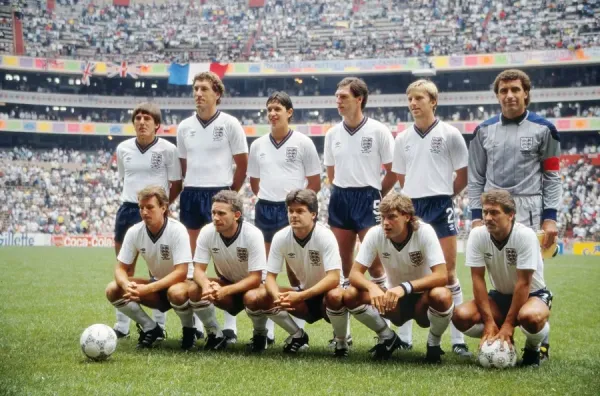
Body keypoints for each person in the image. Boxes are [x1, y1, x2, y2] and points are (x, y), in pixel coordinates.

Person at [468, 69, 561, 360]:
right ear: (497, 96)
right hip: (494, 213)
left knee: (530, 281)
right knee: (502, 278)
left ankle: (537, 339)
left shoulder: (545, 129)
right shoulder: (483, 131)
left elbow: (553, 176)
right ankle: (502, 332)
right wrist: (475, 215)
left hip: (530, 211)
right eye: (503, 90)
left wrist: (550, 216)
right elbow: (475, 177)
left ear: (526, 93)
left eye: (515, 90)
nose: (509, 95)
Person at [392, 80, 471, 357]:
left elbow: (462, 175)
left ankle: (458, 340)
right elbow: (402, 178)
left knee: (448, 273)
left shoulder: (450, 134)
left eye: (419, 98)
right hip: (412, 208)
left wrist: (443, 196)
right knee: (408, 271)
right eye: (410, 99)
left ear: (433, 101)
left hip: (441, 205)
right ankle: (403, 337)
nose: (413, 103)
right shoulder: (402, 139)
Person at [176, 72, 249, 343]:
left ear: (217, 93)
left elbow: (243, 164)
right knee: (196, 260)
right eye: (195, 89)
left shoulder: (230, 124)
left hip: (220, 193)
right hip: (192, 193)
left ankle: (230, 324)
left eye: (204, 88)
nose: (198, 93)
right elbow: (184, 167)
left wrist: (230, 195)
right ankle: (198, 321)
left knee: (226, 262)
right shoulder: (184, 127)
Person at [342, 193, 453, 362]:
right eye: (383, 217)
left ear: (407, 216)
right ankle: (388, 337)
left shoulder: (424, 231)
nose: (386, 223)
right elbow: (354, 274)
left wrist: (405, 287)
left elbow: (442, 275)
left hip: (423, 301)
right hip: (393, 301)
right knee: (350, 294)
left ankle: (434, 344)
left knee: (442, 295)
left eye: (392, 217)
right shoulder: (375, 233)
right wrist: (372, 287)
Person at [247, 91, 322, 333]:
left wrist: (295, 204)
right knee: (266, 267)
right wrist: (269, 197)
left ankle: (299, 320)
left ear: (289, 112)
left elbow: (315, 182)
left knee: (295, 269)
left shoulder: (303, 143)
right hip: (265, 208)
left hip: (291, 209)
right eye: (269, 109)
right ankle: (265, 329)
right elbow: (255, 183)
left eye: (277, 109)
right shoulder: (258, 144)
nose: (272, 113)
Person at [243, 189, 349, 356]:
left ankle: (342, 340)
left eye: (300, 211)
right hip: (303, 295)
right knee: (259, 295)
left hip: (327, 297)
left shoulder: (325, 235)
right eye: (291, 211)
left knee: (335, 296)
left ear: (313, 214)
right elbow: (269, 277)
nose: (294, 215)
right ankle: (297, 335)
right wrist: (276, 296)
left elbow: (334, 278)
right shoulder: (280, 237)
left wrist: (301, 296)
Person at [453, 190, 552, 367]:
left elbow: (524, 283)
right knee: (461, 316)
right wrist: (490, 323)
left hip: (532, 295)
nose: (488, 217)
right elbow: (477, 279)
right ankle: (496, 338)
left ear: (511, 215)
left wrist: (508, 325)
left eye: (494, 212)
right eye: (485, 212)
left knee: (531, 318)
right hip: (500, 296)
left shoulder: (525, 235)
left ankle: (533, 347)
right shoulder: (477, 235)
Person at [112, 103, 182, 339]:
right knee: (125, 267)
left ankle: (159, 323)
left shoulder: (168, 150)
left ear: (157, 125)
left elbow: (176, 182)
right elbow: (125, 177)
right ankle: (122, 324)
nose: (142, 122)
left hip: (156, 210)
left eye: (147, 119)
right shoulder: (123, 148)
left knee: (159, 265)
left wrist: (161, 207)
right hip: (128, 208)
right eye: (138, 118)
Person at [324, 77, 395, 286]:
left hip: (368, 197)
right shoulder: (332, 134)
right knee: (343, 263)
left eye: (344, 96)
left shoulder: (378, 131)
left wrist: (377, 193)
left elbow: (393, 171)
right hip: (340, 197)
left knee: (374, 263)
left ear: (359, 99)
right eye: (337, 96)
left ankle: (386, 313)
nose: (338, 101)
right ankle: (348, 314)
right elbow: (331, 173)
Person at [105, 186, 195, 349]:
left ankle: (189, 330)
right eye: (141, 207)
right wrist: (127, 286)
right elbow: (120, 268)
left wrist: (147, 289)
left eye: (150, 207)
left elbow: (182, 272)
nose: (144, 212)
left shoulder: (177, 230)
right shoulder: (134, 232)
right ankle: (151, 328)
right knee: (113, 289)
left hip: (184, 286)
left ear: (163, 207)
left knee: (175, 292)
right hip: (157, 285)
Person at [185, 190, 267, 350]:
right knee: (195, 289)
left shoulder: (253, 234)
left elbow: (255, 278)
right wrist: (206, 285)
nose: (216, 218)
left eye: (221, 213)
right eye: (213, 213)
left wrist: (226, 291)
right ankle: (215, 334)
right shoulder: (207, 232)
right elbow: (198, 270)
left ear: (236, 215)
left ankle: (260, 334)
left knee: (252, 297)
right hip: (226, 282)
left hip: (254, 287)